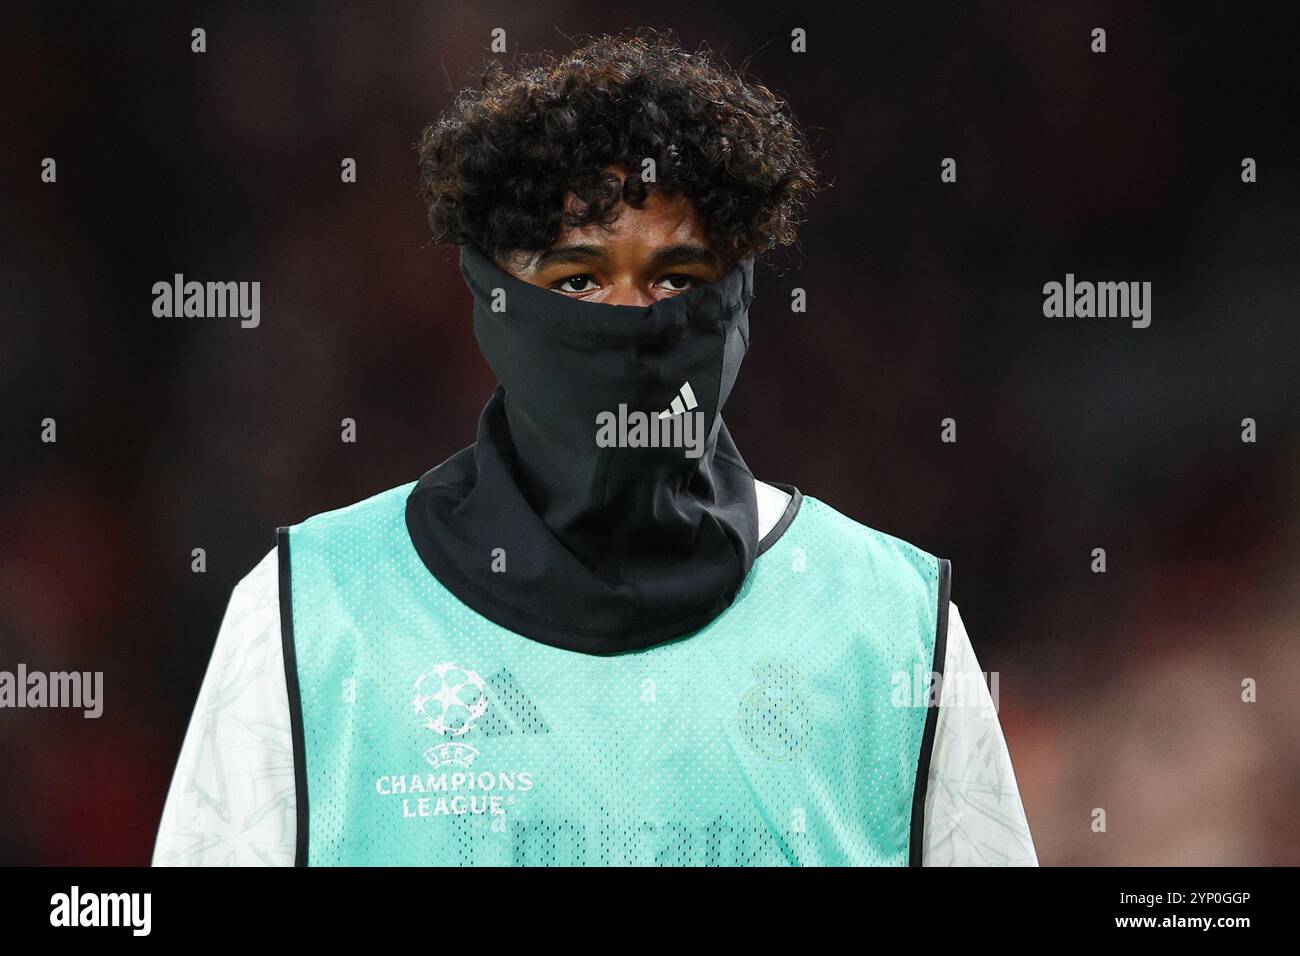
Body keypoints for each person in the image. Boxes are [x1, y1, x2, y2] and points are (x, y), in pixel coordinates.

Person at [153, 31, 1036, 866]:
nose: (630, 320)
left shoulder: (895, 625)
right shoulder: (310, 613)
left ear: (737, 300)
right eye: (577, 279)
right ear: (493, 296)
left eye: (676, 280)